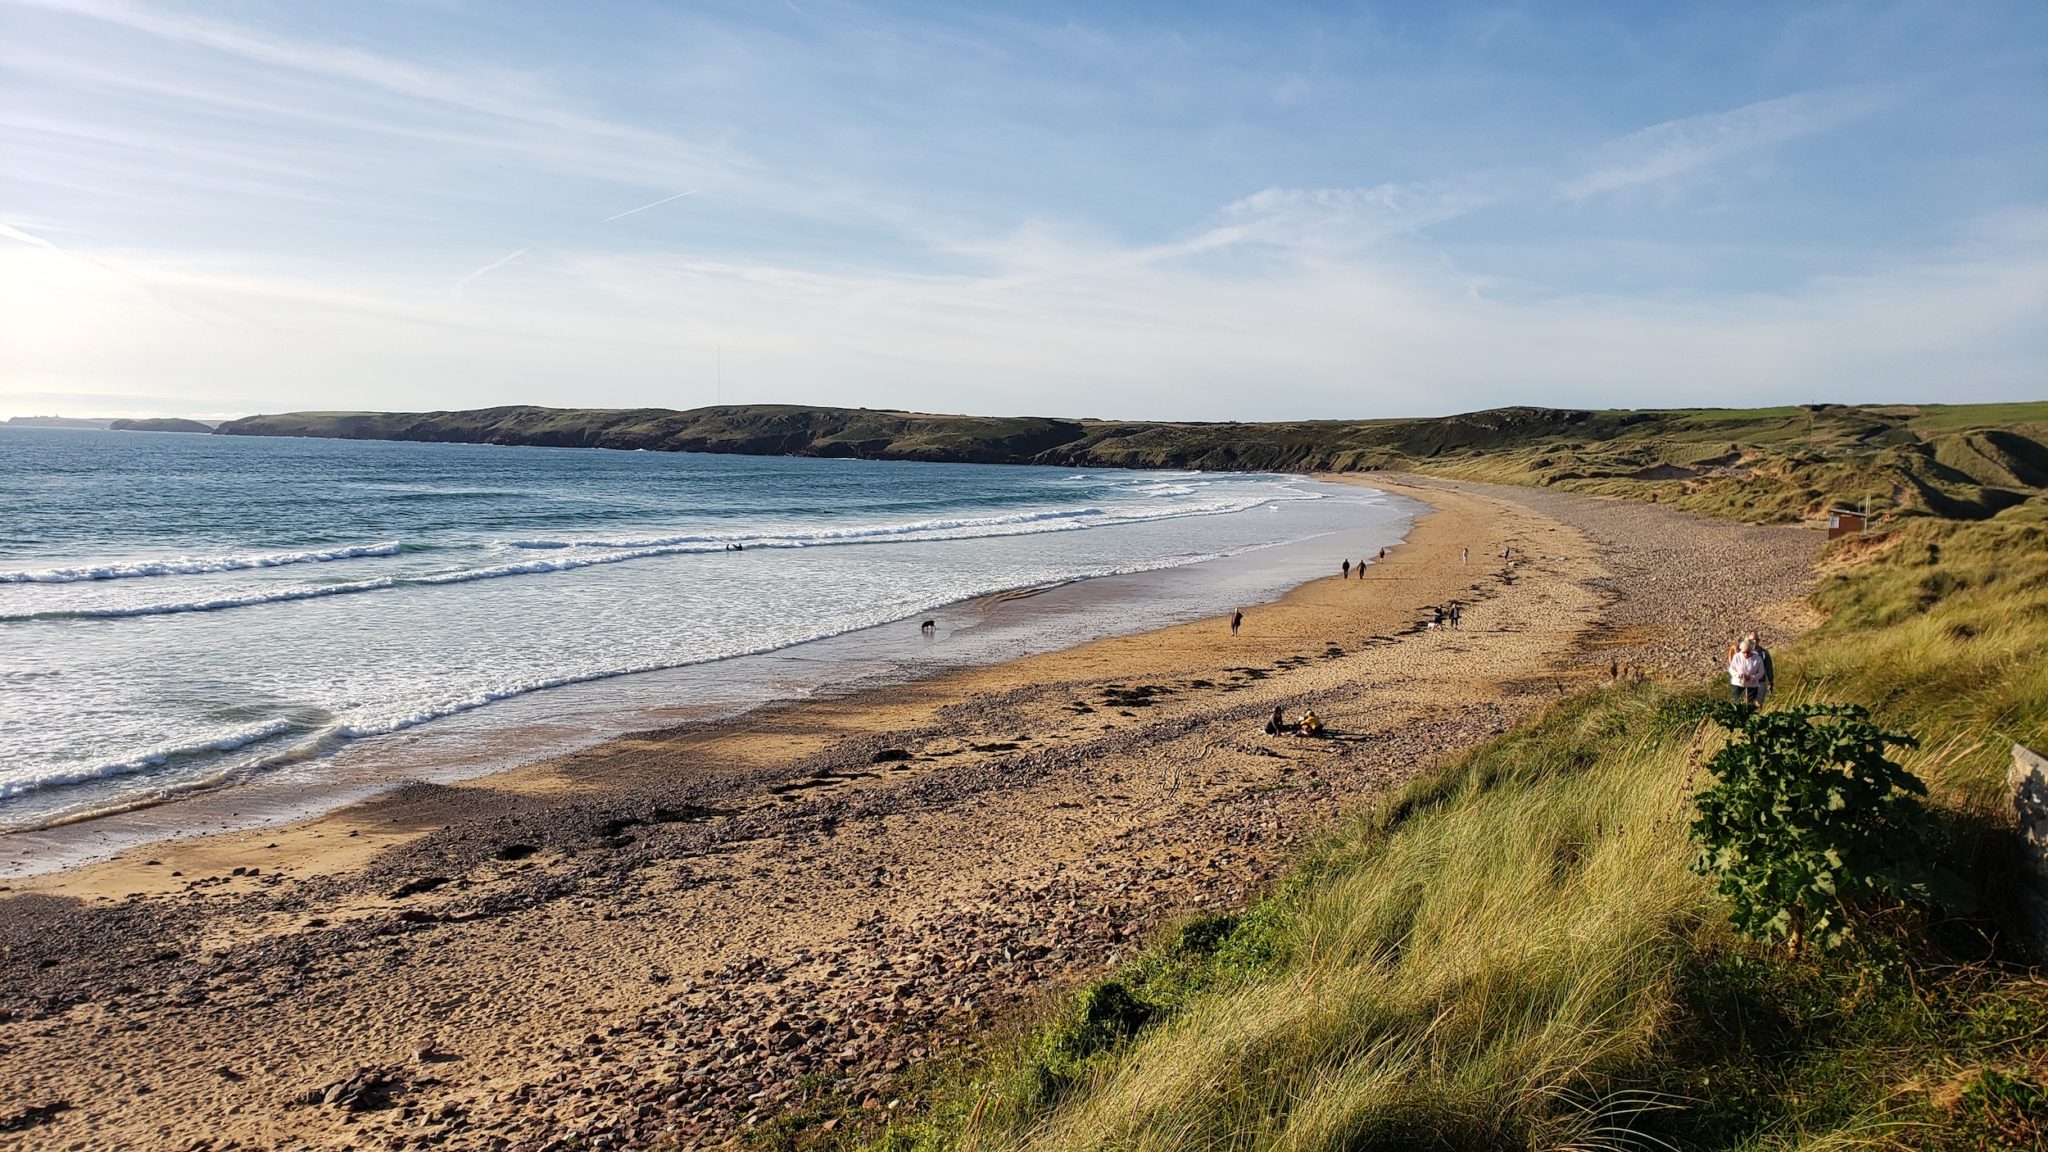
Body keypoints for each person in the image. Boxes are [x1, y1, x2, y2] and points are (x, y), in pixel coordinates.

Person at [1727, 636, 1768, 706]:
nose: (1746, 654)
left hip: (1752, 684)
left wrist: (1752, 677)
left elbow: (1761, 672)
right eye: (1744, 653)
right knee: (1738, 703)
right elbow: (1731, 668)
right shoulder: (1737, 656)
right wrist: (1738, 675)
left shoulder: (1758, 659)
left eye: (1748, 653)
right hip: (1738, 683)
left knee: (1749, 704)